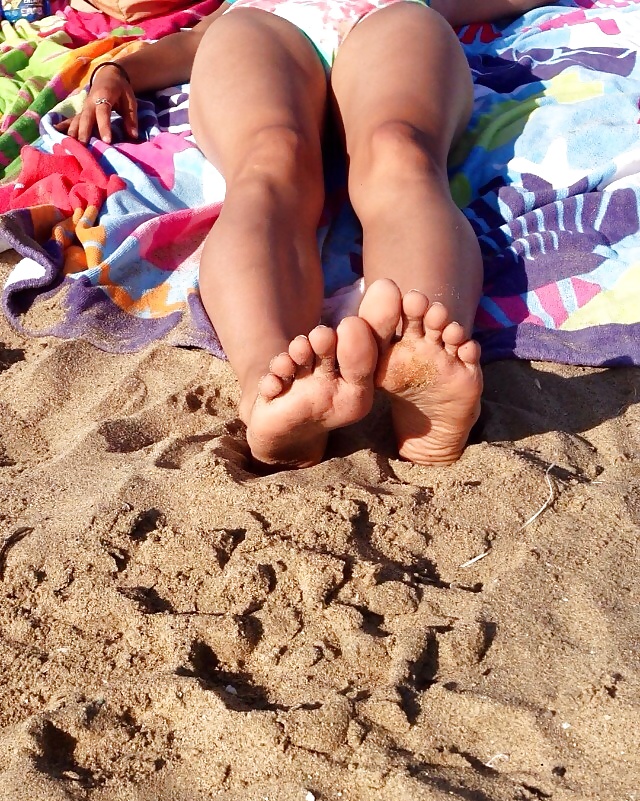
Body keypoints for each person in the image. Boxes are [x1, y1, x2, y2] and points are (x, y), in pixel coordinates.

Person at [64, 0, 551, 469]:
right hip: (265, 23)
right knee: (271, 159)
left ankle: (419, 364)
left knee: (398, 149)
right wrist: (114, 75)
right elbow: (190, 43)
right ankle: (272, 389)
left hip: (386, 15)